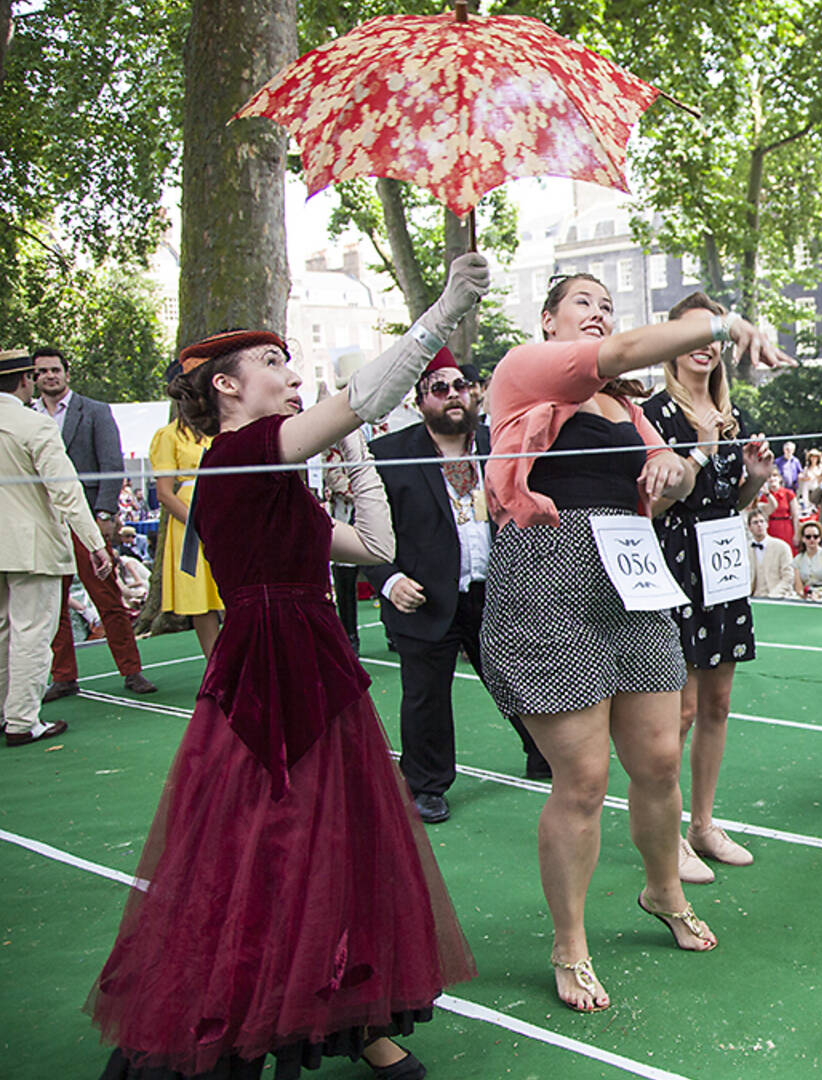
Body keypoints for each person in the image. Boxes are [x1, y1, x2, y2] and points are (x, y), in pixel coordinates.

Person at [87, 257, 491, 1078]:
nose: (289, 372)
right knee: (267, 849)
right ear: (226, 388)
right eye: (271, 362)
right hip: (269, 675)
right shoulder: (239, 455)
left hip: (316, 665)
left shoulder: (273, 473)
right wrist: (446, 306)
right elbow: (368, 396)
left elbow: (375, 548)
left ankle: (348, 1018)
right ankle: (250, 1014)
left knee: (338, 845)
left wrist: (356, 458)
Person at [478, 271, 786, 1012]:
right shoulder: (528, 370)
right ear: (549, 319)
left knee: (657, 759)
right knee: (583, 780)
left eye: (606, 303)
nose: (599, 313)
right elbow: (623, 350)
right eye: (583, 302)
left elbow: (668, 487)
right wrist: (723, 325)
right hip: (550, 577)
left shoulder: (624, 407)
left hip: (634, 580)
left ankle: (662, 888)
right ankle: (571, 941)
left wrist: (676, 468)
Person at [366, 348, 550, 828]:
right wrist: (388, 580)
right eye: (439, 388)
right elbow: (366, 531)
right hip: (422, 595)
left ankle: (543, 752)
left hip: (498, 591)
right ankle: (426, 786)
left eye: (460, 387)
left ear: (474, 393)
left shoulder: (500, 442)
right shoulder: (388, 454)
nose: (452, 396)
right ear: (420, 398)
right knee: (425, 696)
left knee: (519, 677)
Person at [640, 291, 777, 884]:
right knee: (684, 709)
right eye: (691, 334)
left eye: (712, 336)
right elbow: (654, 501)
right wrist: (702, 447)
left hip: (722, 562)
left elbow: (732, 500)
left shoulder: (732, 415)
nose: (703, 347)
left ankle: (703, 822)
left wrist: (756, 479)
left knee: (718, 702)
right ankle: (665, 833)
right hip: (675, 563)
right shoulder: (652, 415)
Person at [0, 348, 112, 747]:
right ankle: (22, 721)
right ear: (25, 381)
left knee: (3, 633)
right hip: (32, 546)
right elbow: (66, 490)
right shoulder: (35, 425)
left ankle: (6, 713)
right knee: (31, 633)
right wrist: (95, 543)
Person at [32, 347, 156, 699]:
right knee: (53, 602)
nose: (50, 376)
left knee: (107, 597)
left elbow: (111, 464)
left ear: (67, 374)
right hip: (43, 519)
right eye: (42, 372)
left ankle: (132, 671)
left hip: (86, 517)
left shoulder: (96, 411)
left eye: (55, 370)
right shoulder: (28, 415)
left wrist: (105, 515)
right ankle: (64, 676)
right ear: (33, 378)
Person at [148, 399, 224, 657]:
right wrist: (198, 525)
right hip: (190, 523)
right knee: (200, 599)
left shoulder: (221, 430)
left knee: (233, 591)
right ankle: (216, 667)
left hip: (226, 515)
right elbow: (164, 493)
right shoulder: (169, 436)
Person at [747, 506, 796, 598]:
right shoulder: (746, 549)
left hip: (778, 597)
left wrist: (774, 595)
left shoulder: (782, 547)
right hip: (754, 597)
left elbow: (788, 576)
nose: (759, 525)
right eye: (755, 522)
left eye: (762, 521)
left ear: (767, 524)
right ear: (749, 527)